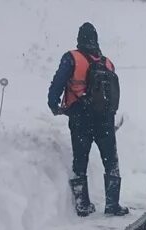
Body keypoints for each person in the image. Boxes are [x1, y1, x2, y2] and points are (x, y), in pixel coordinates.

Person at [47, 22, 128, 217]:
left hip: (80, 117)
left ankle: (83, 204)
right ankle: (112, 204)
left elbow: (58, 82)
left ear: (79, 38)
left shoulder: (72, 58)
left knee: (80, 160)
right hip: (105, 120)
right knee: (111, 161)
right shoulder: (107, 62)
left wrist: (53, 104)